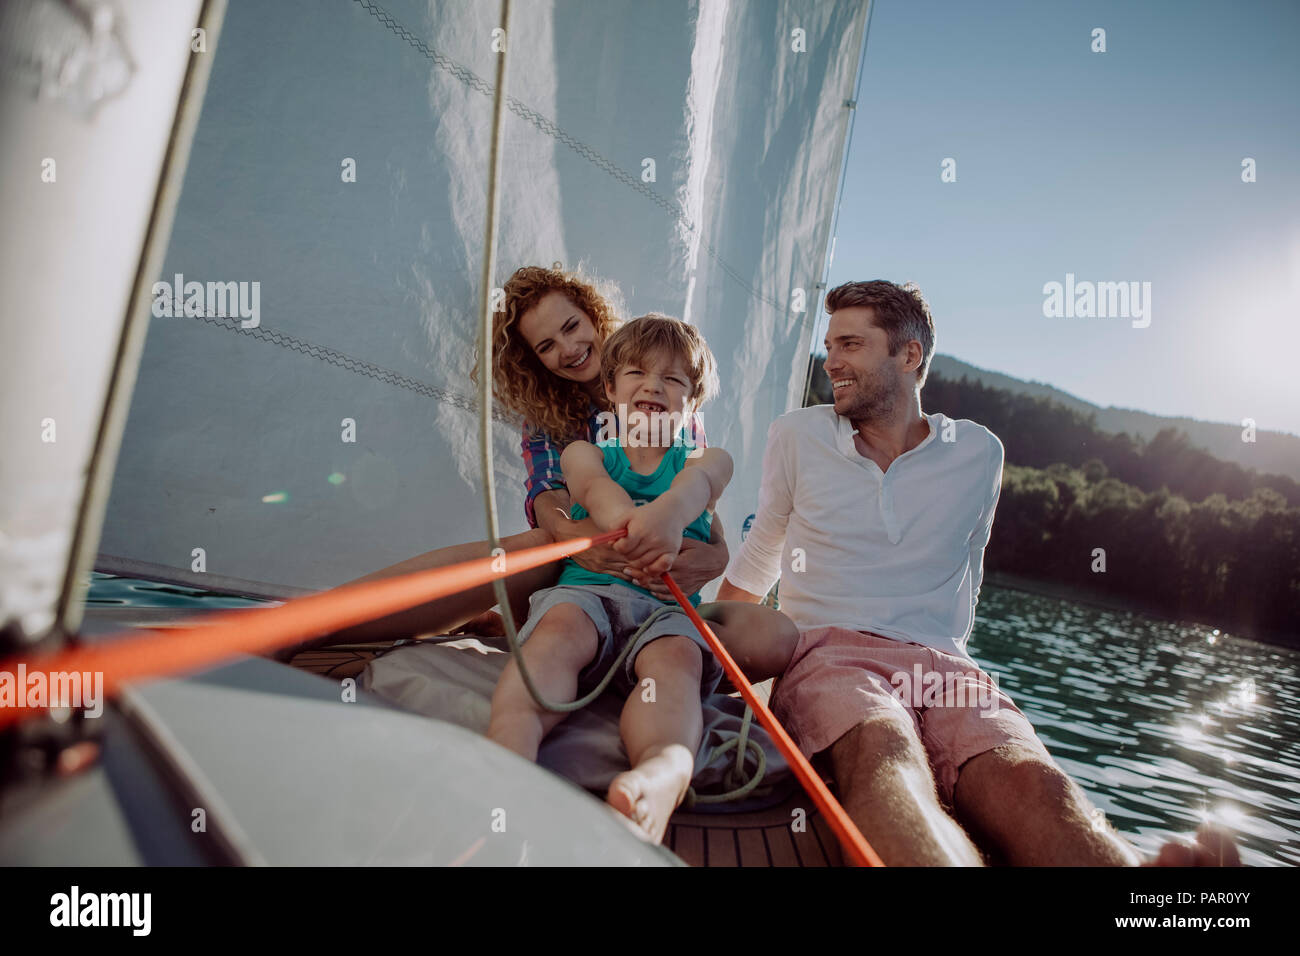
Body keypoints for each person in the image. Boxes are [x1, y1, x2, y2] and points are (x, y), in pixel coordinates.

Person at [715, 279, 1240, 867]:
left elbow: (966, 576)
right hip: (829, 652)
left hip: (946, 666)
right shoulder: (797, 434)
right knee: (886, 755)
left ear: (908, 356)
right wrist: (702, 649)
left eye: (851, 345)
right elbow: (761, 557)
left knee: (1031, 780)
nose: (831, 360)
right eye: (830, 344)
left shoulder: (979, 453)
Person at [294, 265, 794, 695]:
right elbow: (549, 503)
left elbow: (699, 488)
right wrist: (584, 541)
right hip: (581, 573)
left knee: (766, 636)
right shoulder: (552, 418)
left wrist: (717, 553)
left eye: (573, 327)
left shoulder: (660, 382)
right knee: (530, 544)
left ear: (595, 316)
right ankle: (317, 623)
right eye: (548, 346)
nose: (570, 348)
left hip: (653, 580)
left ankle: (646, 658)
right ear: (535, 361)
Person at [488, 314, 794, 842]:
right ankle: (509, 743)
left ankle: (661, 769)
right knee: (557, 634)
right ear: (610, 388)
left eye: (673, 379)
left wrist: (670, 516)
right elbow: (591, 491)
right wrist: (627, 520)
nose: (653, 384)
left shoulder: (703, 458)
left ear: (692, 403)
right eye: (635, 373)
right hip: (589, 594)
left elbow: (700, 485)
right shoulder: (587, 453)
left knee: (674, 664)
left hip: (666, 610)